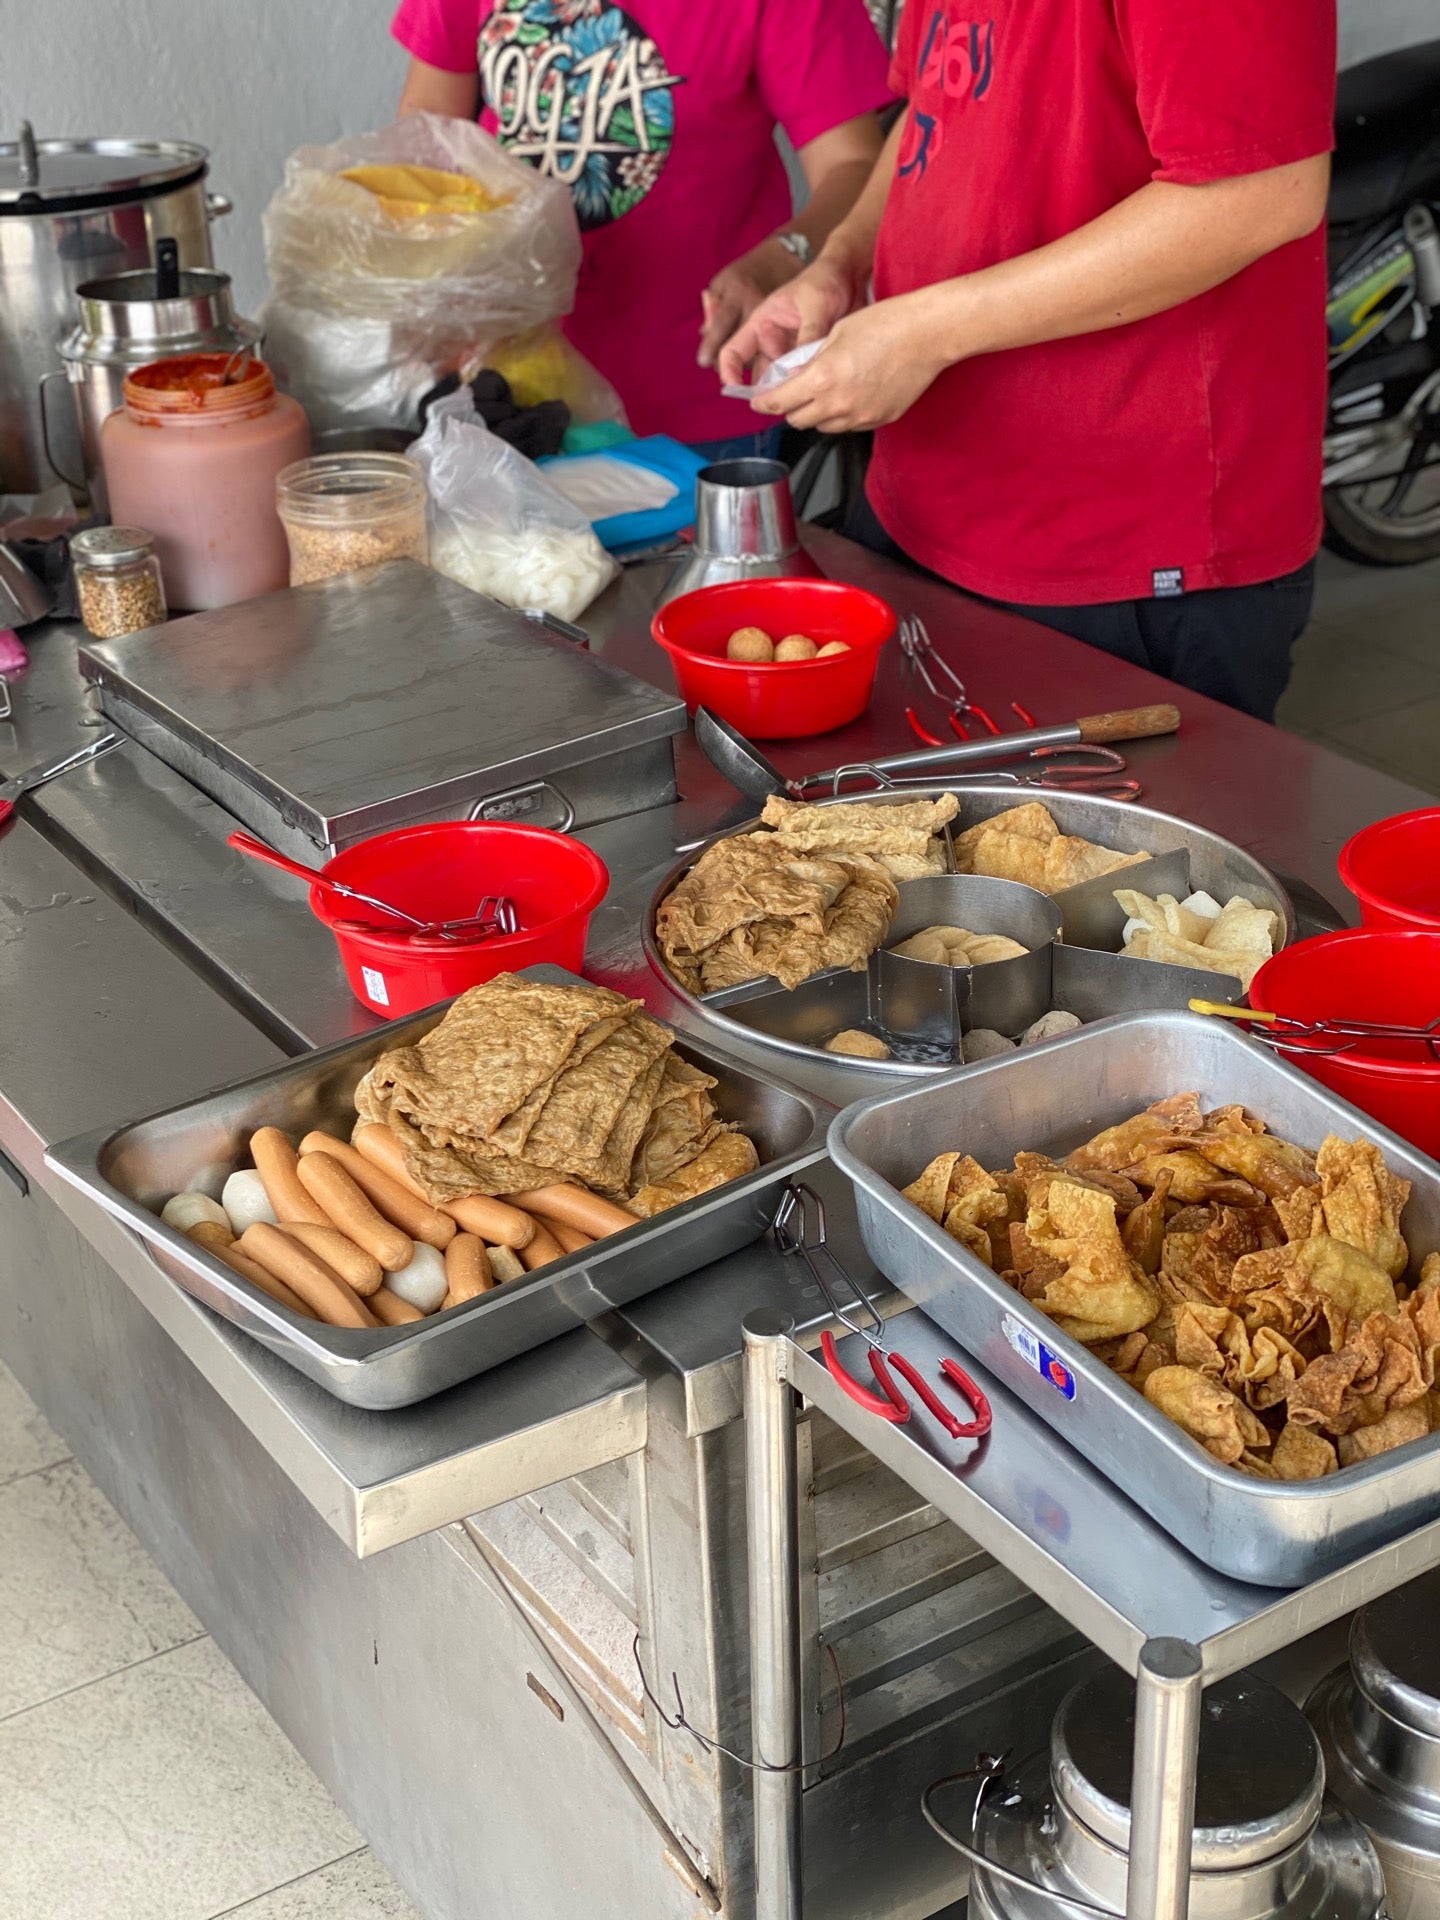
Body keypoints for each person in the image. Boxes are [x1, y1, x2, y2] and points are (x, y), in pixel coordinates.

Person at [721, 0, 1338, 721]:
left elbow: (1258, 196)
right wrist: (844, 259)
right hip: (927, 500)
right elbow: (938, 100)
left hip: (1124, 548)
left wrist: (923, 334)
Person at [391, 0, 893, 461]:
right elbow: (425, 138)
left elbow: (854, 166)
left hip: (697, 391)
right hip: (497, 383)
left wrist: (784, 255)